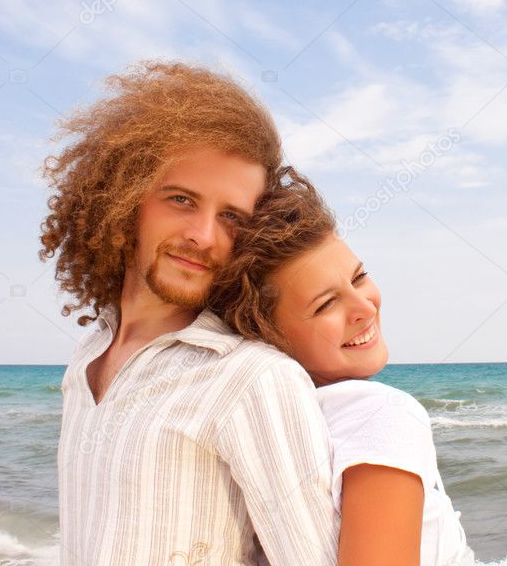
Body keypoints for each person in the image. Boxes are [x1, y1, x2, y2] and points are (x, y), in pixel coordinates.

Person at [39, 61, 338, 565]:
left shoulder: (253, 379)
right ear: (124, 199)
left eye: (231, 217)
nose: (203, 235)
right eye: (181, 199)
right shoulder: (87, 357)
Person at [209, 171, 476, 566]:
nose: (365, 308)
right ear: (266, 334)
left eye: (359, 277)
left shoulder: (256, 423)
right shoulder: (382, 414)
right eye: (325, 305)